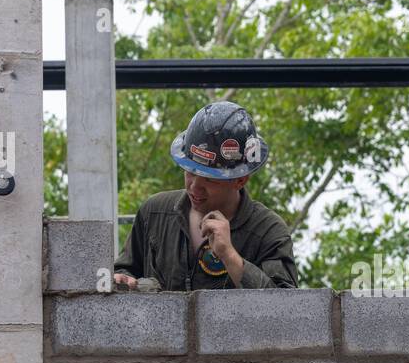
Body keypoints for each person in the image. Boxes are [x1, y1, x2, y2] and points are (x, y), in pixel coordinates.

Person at [113, 101, 298, 291]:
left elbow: (286, 309)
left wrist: (229, 255)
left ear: (240, 180)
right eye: (190, 172)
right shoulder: (153, 213)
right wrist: (123, 281)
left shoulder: (268, 231)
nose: (194, 187)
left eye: (210, 180)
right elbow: (125, 270)